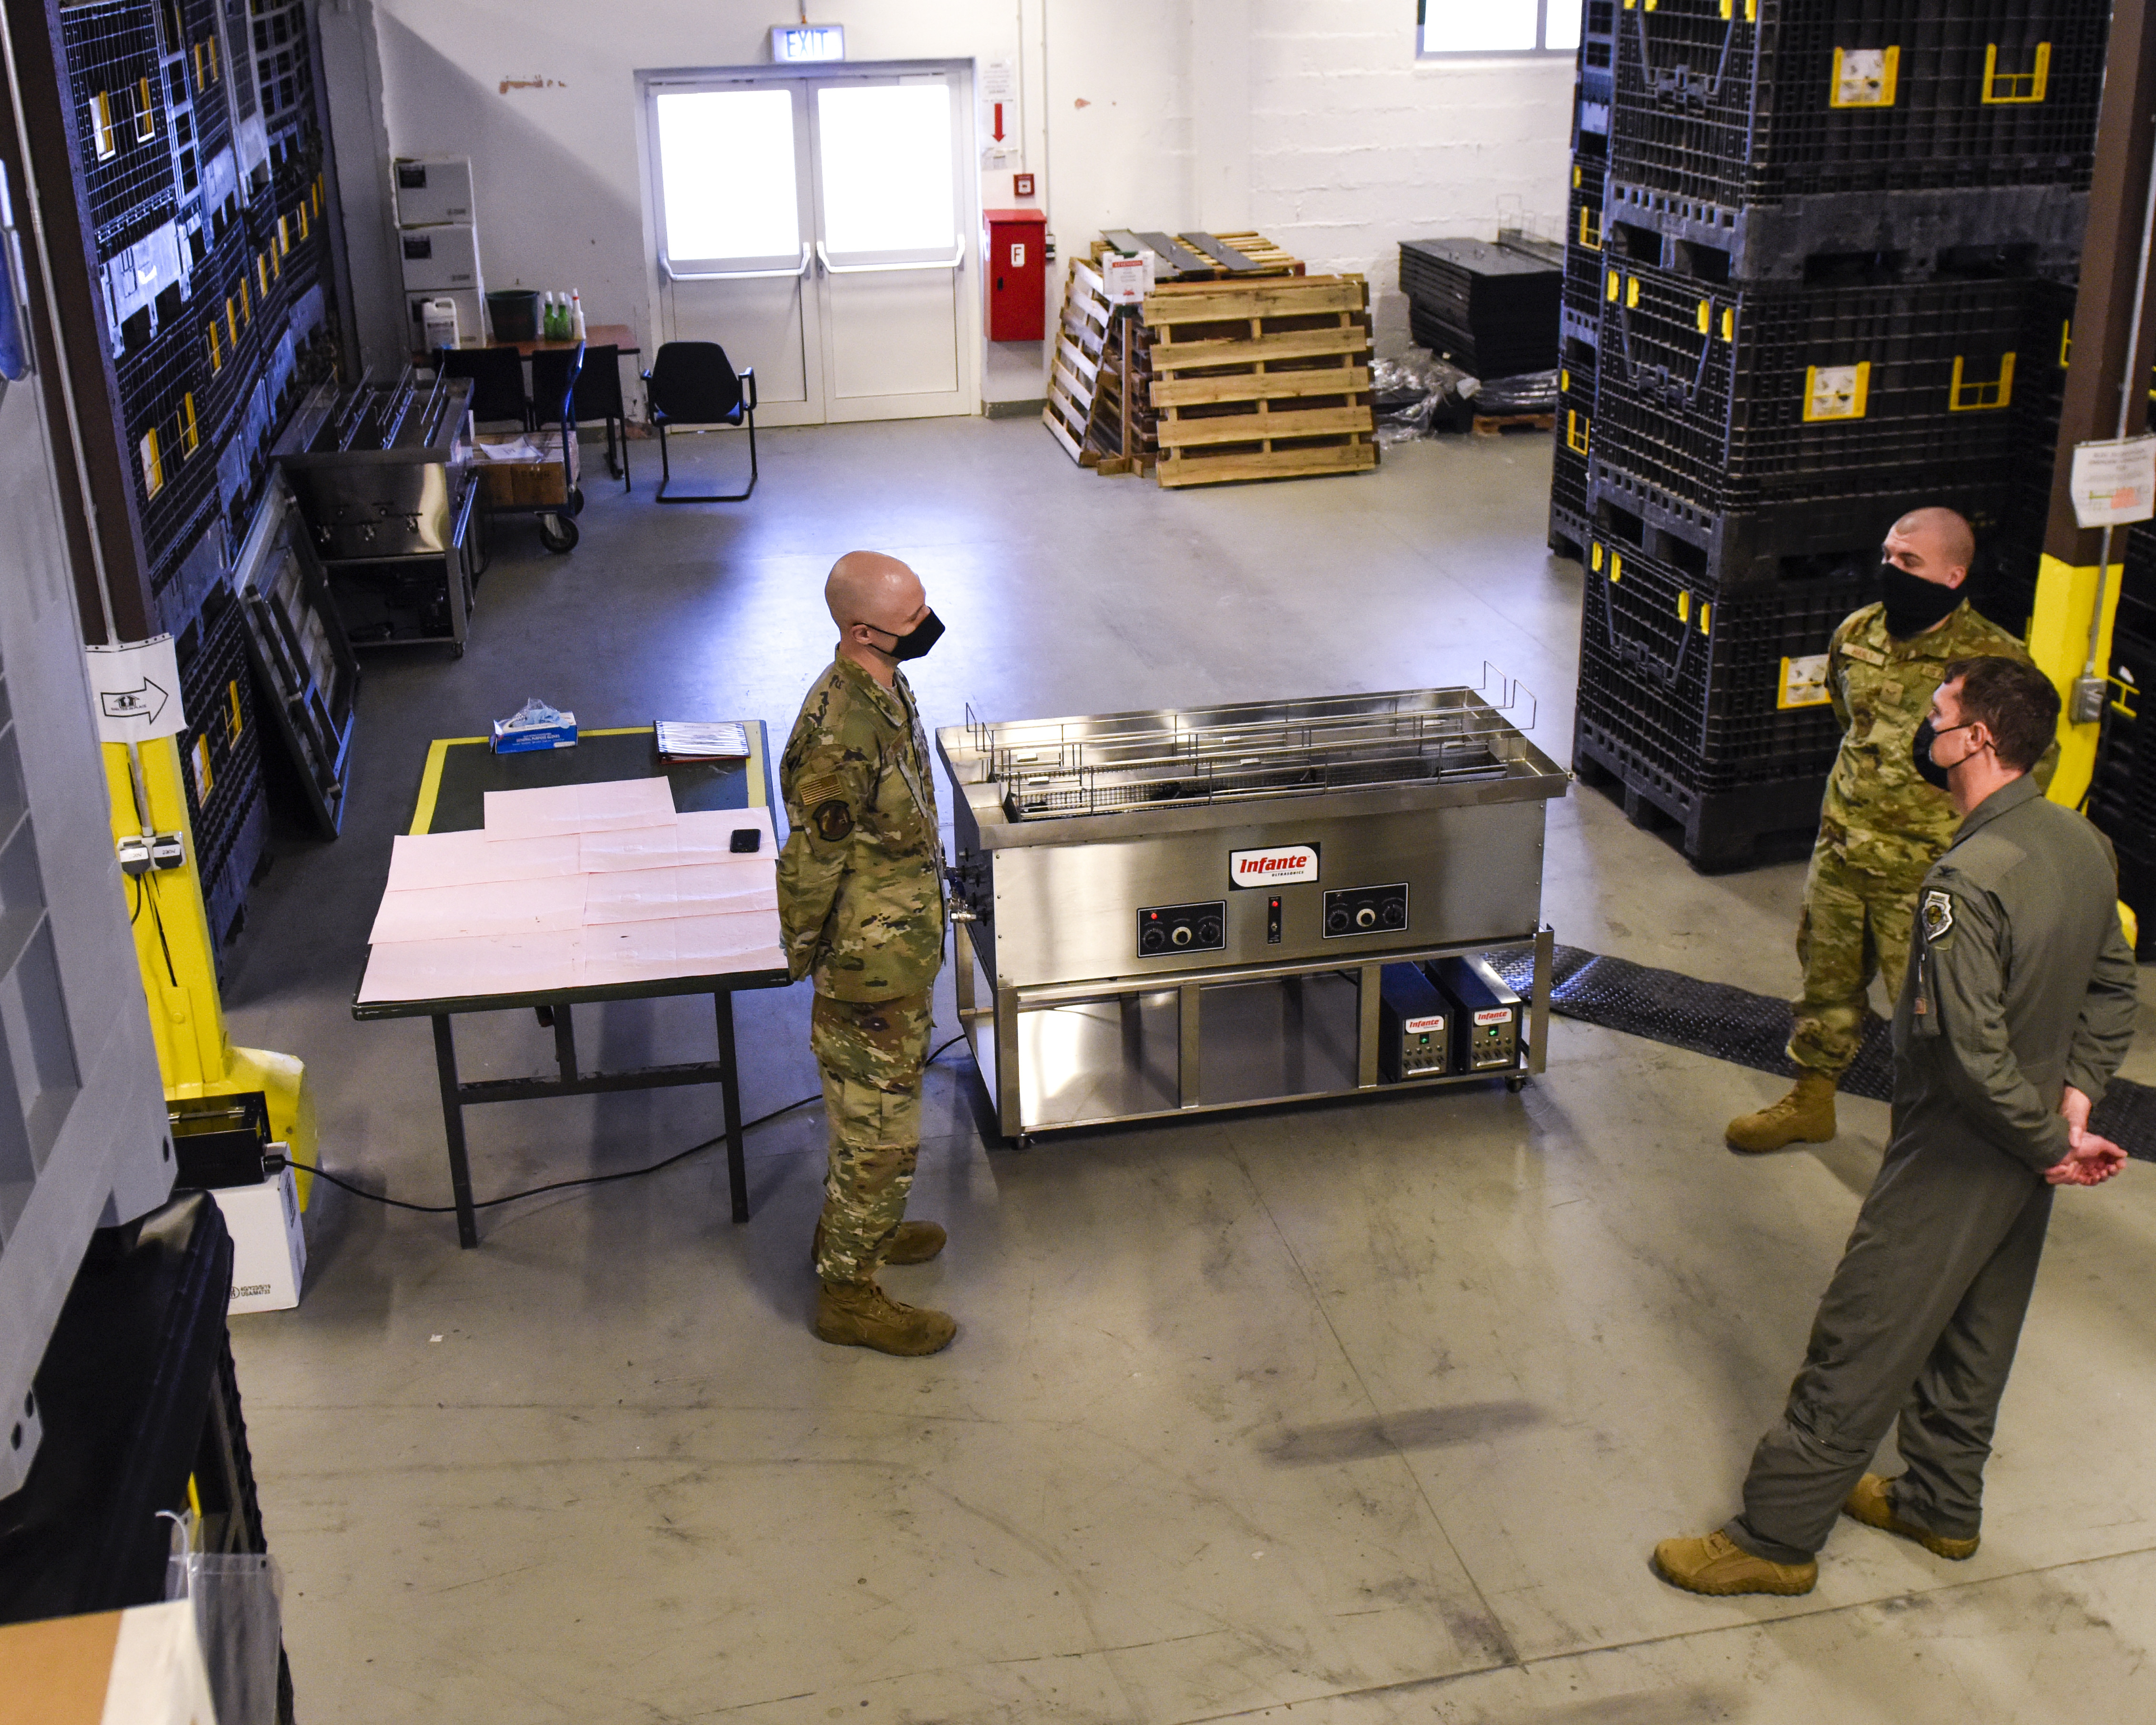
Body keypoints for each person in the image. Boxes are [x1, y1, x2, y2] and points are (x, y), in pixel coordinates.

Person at [1656, 657, 2138, 1597]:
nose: (1925, 721)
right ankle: (1940, 1504)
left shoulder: (1966, 879)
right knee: (1977, 1327)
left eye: (1939, 711)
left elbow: (1965, 1053)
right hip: (2031, 1141)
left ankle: (1775, 1537)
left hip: (1961, 1147)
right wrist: (2073, 1101)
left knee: (1861, 1334)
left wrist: (2046, 1140)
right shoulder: (2080, 844)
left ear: (1975, 741)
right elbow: (2110, 987)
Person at [1727, 507, 2052, 1155]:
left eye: (1910, 562)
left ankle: (1928, 1137)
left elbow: (2026, 768)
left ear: (1953, 573)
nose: (1891, 571)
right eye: (1887, 557)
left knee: (1933, 1014)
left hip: (1932, 875)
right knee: (1824, 984)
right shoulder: (1856, 633)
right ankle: (1811, 1100)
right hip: (1844, 850)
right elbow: (1846, 715)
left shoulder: (1994, 665)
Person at [776, 551, 955, 1356]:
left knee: (879, 1115)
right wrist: (805, 956)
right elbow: (813, 860)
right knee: (879, 1134)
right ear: (861, 630)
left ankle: (862, 1230)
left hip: (901, 946)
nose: (927, 625)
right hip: (866, 968)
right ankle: (848, 1292)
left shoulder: (882, 681)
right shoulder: (838, 730)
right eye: (913, 618)